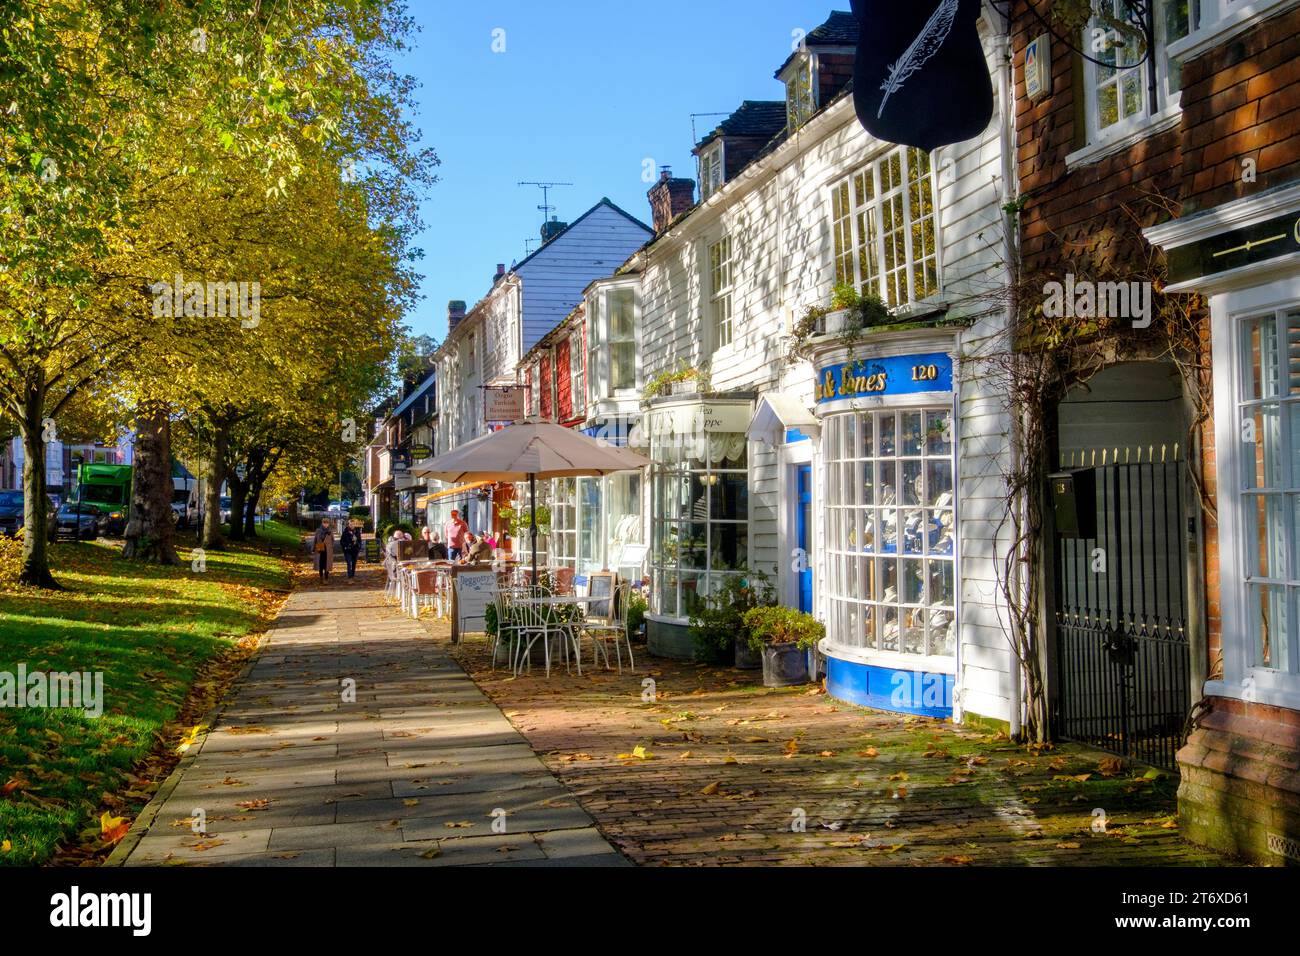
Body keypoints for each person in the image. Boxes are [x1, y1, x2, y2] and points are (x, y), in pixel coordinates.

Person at [312, 517, 336, 583]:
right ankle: (321, 577)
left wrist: (331, 547)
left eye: (327, 523)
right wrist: (313, 548)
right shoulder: (318, 530)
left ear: (328, 524)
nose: (325, 524)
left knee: (327, 564)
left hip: (327, 549)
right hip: (320, 547)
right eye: (324, 523)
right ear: (322, 523)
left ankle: (326, 578)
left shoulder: (330, 531)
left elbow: (333, 540)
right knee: (320, 563)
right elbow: (315, 539)